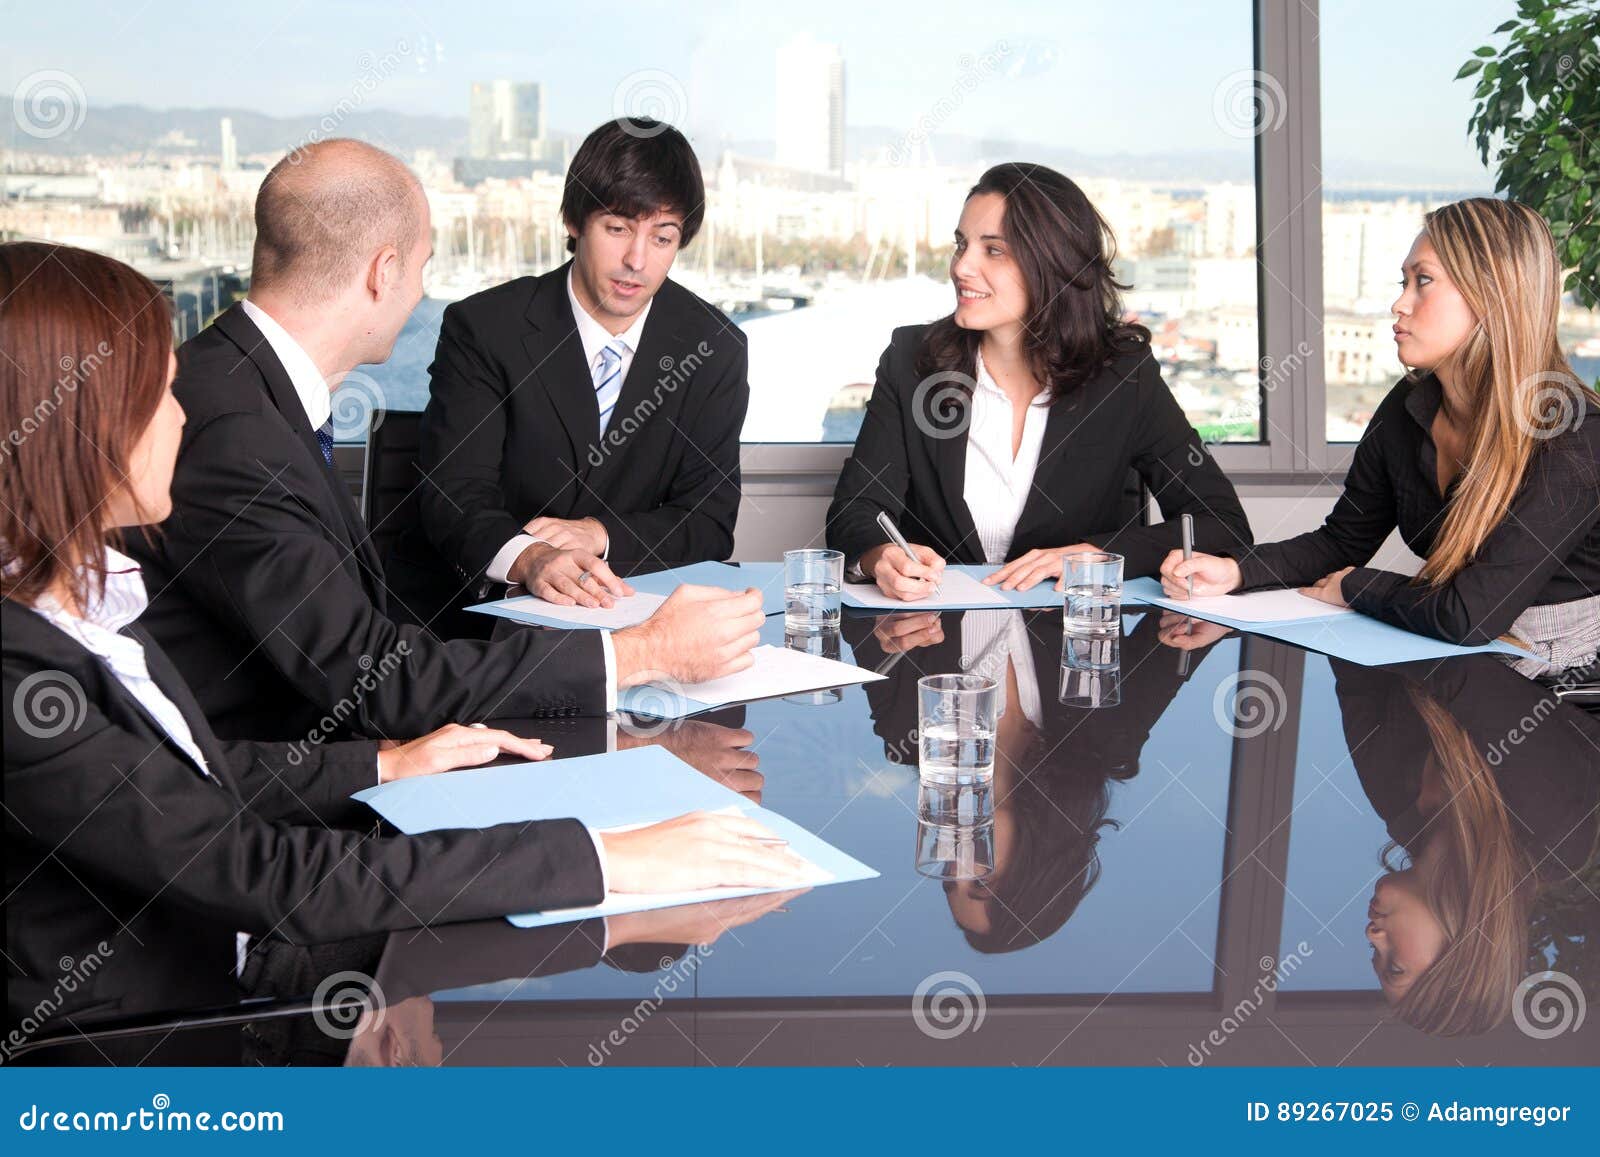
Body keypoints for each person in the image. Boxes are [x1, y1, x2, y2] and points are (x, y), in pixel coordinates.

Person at [0, 241, 813, 1047]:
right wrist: (609, 859)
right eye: (159, 392)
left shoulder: (79, 608)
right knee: (552, 1001)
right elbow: (262, 871)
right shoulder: (24, 672)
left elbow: (193, 777)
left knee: (539, 951)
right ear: (79, 424)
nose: (182, 411)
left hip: (215, 942)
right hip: (155, 1031)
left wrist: (385, 763)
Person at [125, 139, 763, 743]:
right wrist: (641, 652)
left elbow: (349, 658)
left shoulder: (231, 388)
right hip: (273, 768)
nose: (422, 293)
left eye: (662, 237)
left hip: (333, 728)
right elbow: (368, 675)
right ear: (385, 272)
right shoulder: (238, 432)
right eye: (423, 267)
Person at [1163, 198, 1600, 670]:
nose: (1399, 303)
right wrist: (1235, 571)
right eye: (1403, 283)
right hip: (1459, 646)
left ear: (1491, 296)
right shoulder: (1410, 403)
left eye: (1423, 281)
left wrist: (1356, 586)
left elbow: (1469, 615)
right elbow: (1343, 541)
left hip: (1561, 669)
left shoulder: (1573, 436)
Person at [387, 117, 749, 638]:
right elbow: (454, 494)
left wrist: (600, 534)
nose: (637, 260)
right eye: (617, 229)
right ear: (575, 221)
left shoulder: (714, 346)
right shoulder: (486, 327)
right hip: (485, 629)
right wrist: (529, 557)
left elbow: (708, 521)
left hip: (637, 621)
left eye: (662, 238)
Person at [826, 162, 1252, 601]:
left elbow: (1221, 523)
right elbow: (856, 511)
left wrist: (1096, 556)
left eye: (993, 250)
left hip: (1072, 633)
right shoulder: (912, 361)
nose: (961, 266)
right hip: (934, 631)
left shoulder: (1123, 374)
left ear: (1053, 263)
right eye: (961, 244)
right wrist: (880, 557)